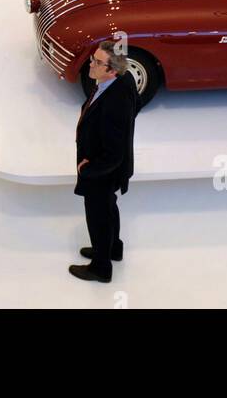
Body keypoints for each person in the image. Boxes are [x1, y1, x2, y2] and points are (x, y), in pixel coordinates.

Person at [70, 43, 137, 283]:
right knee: (109, 207)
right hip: (108, 169)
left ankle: (100, 267)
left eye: (97, 62)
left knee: (98, 216)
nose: (91, 64)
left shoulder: (115, 100)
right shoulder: (121, 81)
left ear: (112, 71)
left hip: (103, 172)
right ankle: (112, 248)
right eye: (93, 59)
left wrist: (89, 169)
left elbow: (114, 152)